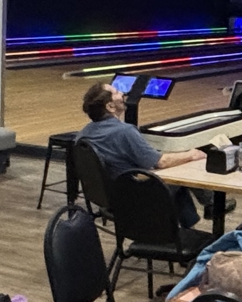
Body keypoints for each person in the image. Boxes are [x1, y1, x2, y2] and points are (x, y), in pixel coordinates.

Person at [73, 81, 204, 227]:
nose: (122, 94)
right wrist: (191, 155)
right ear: (110, 106)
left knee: (174, 172)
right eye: (117, 92)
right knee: (179, 170)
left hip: (108, 197)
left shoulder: (82, 135)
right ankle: (206, 210)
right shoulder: (125, 132)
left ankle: (190, 226)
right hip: (134, 196)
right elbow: (160, 162)